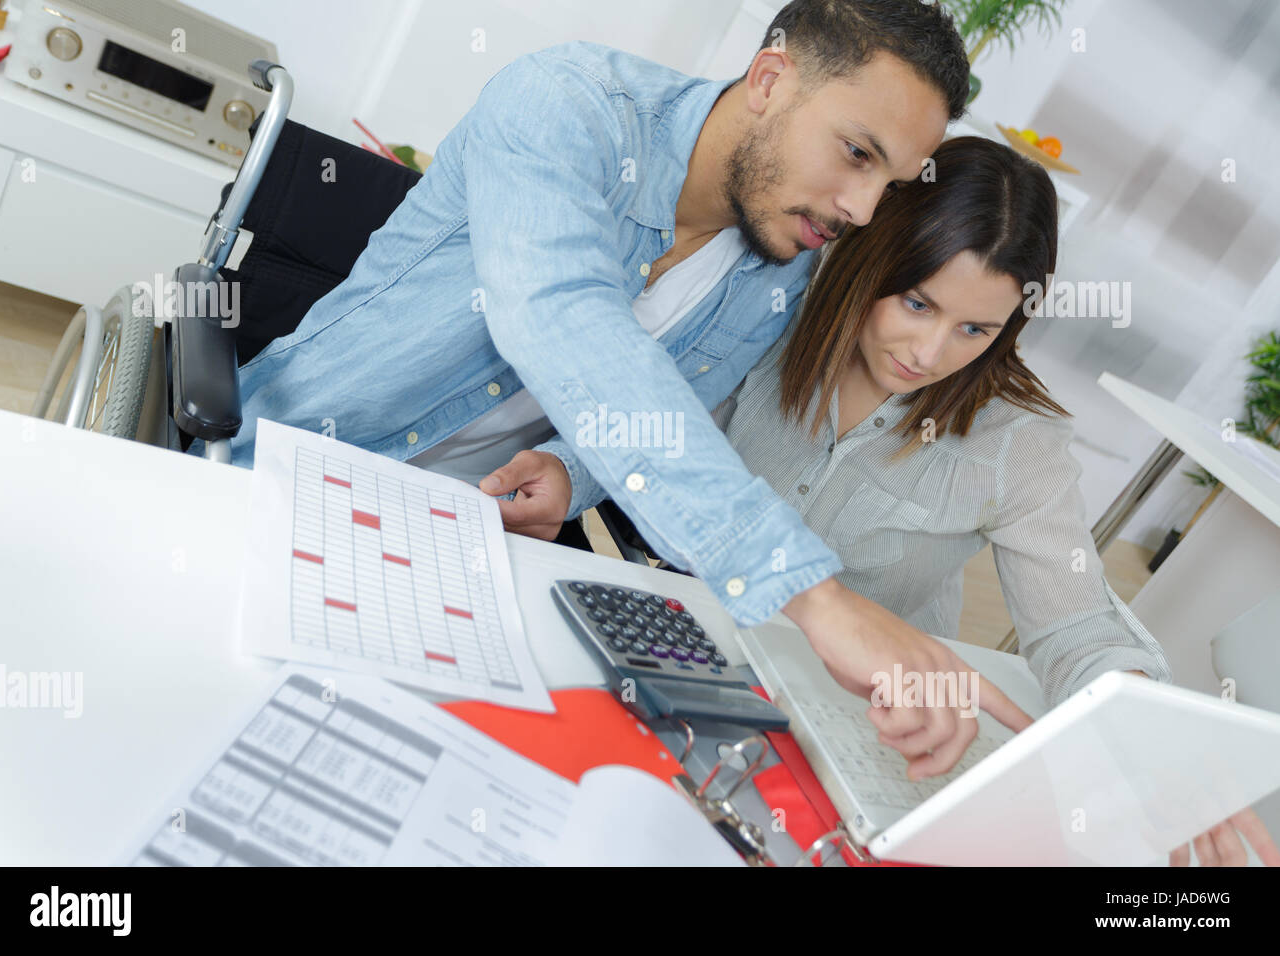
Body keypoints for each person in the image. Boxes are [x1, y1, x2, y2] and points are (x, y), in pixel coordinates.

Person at [230, 2, 1033, 770]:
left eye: (889, 184)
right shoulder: (567, 105)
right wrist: (816, 599)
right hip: (280, 478)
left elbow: (656, 401)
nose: (862, 210)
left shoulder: (776, 272)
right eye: (856, 153)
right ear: (769, 81)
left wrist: (570, 471)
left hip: (462, 545)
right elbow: (562, 317)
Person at [495, 135, 1279, 866]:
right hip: (682, 649)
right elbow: (666, 423)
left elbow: (1075, 624)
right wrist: (573, 471)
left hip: (855, 725)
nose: (930, 353)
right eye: (916, 304)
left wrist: (1149, 732)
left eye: (977, 328)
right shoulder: (772, 309)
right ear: (872, 257)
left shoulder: (1019, 443)